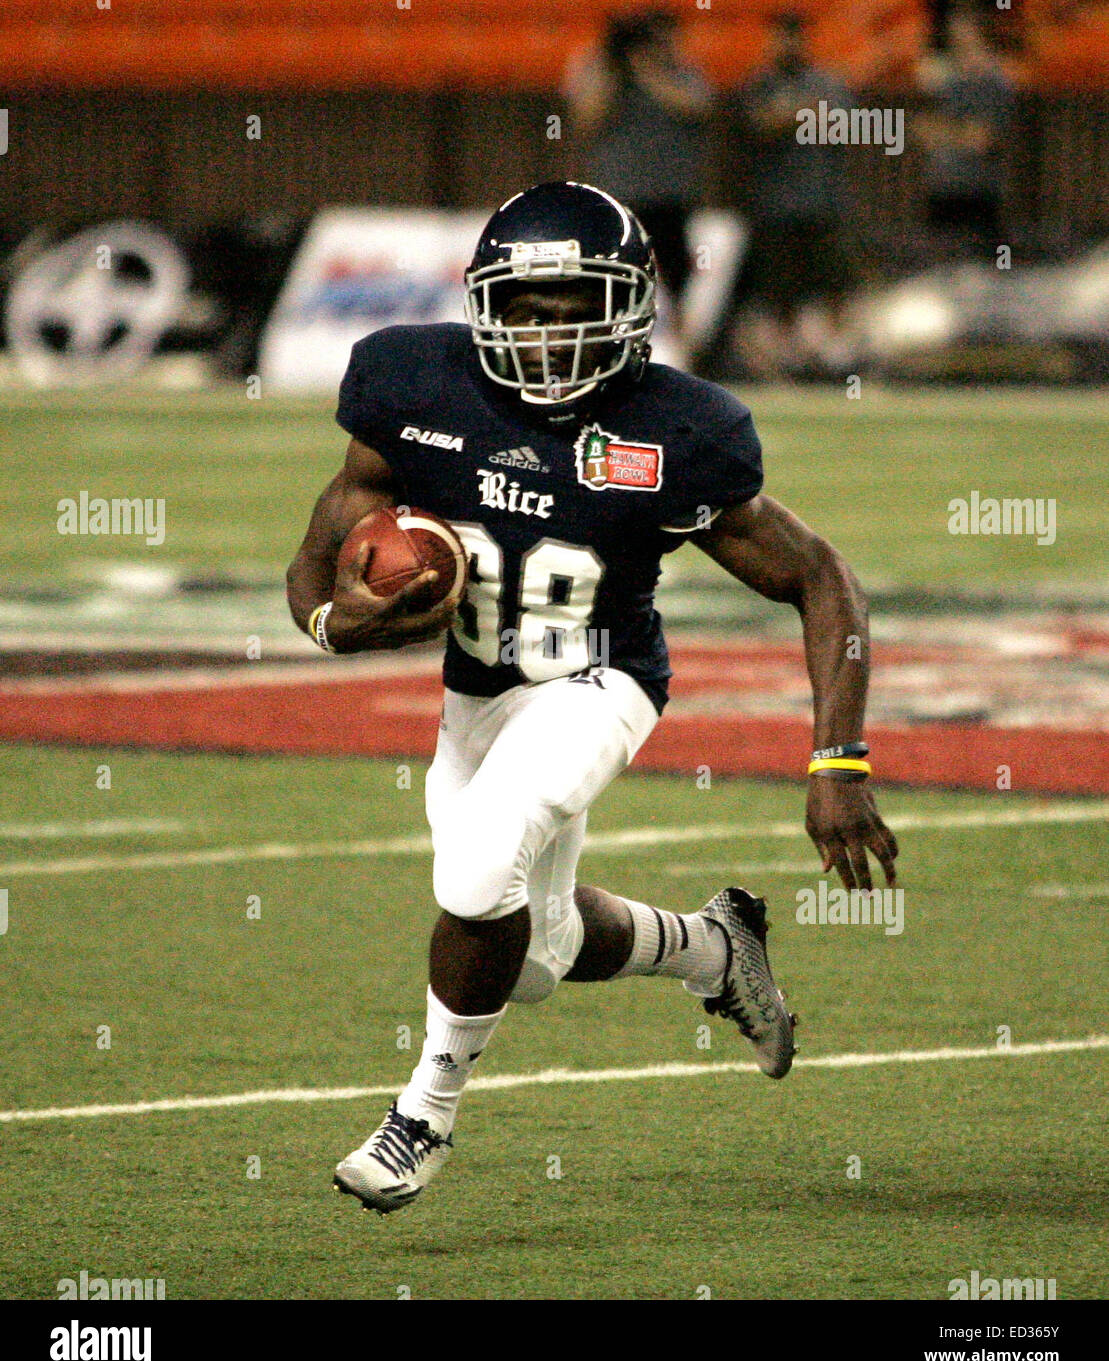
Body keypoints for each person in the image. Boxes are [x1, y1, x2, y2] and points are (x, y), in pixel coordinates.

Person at [286, 181, 898, 1214]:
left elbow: (818, 576)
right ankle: (711, 945)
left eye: (573, 306)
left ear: (627, 306)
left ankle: (422, 1114)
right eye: (524, 308)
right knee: (532, 950)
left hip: (599, 678)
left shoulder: (677, 427)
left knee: (478, 869)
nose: (547, 333)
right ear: (482, 302)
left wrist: (837, 758)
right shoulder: (409, 382)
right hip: (477, 695)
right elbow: (318, 550)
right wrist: (331, 624)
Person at [696, 11, 857, 380]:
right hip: (774, 209)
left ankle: (830, 361)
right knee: (777, 295)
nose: (788, 45)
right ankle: (785, 365)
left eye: (793, 37)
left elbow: (842, 125)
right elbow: (758, 124)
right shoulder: (758, 84)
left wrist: (793, 115)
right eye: (781, 37)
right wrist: (798, 114)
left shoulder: (828, 82)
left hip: (821, 205)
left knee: (831, 288)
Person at [565, 10, 711, 349]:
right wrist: (616, 72)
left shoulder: (682, 72)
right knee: (609, 276)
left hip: (670, 193)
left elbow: (697, 107)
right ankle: (603, 345)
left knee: (678, 277)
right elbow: (586, 118)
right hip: (618, 195)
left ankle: (685, 350)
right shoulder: (600, 71)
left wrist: (648, 72)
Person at [915, 6, 1015, 254]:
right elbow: (921, 131)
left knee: (977, 274)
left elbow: (980, 140)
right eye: (956, 43)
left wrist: (943, 132)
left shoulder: (994, 84)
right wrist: (952, 133)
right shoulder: (950, 85)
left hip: (976, 193)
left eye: (967, 42)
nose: (960, 49)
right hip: (942, 188)